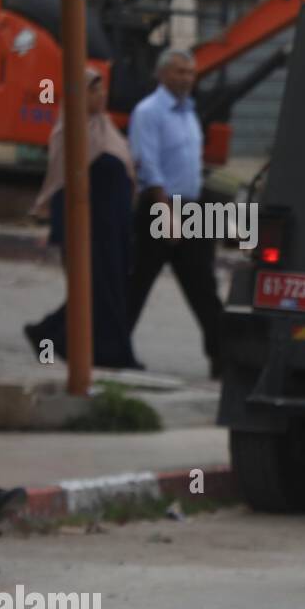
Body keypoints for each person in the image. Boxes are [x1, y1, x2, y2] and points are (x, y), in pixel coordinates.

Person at [24, 67, 140, 370]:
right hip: (87, 229)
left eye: (101, 90)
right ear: (77, 94)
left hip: (113, 227)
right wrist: (63, 233)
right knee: (96, 290)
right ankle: (105, 353)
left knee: (104, 289)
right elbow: (62, 187)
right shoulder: (69, 132)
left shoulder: (106, 129)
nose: (100, 96)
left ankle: (48, 334)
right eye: (93, 90)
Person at [125, 49, 223, 378]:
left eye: (190, 73)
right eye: (179, 72)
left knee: (204, 287)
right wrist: (165, 213)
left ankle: (222, 359)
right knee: (136, 283)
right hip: (160, 207)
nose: (185, 78)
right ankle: (113, 345)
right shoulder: (149, 112)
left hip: (192, 209)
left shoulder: (189, 112)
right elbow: (147, 164)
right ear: (162, 74)